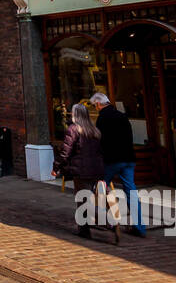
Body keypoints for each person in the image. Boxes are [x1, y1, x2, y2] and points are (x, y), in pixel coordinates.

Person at [93, 91, 145, 237]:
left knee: (101, 187)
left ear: (98, 104)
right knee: (131, 191)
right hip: (128, 159)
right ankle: (139, 226)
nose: (96, 108)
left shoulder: (102, 118)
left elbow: (100, 141)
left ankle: (106, 220)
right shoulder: (122, 116)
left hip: (111, 160)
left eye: (95, 105)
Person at [53, 103, 107, 239]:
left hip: (81, 170)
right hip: (96, 170)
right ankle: (87, 227)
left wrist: (56, 167)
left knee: (83, 200)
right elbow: (101, 151)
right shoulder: (94, 130)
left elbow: (65, 151)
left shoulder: (73, 129)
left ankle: (99, 224)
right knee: (89, 198)